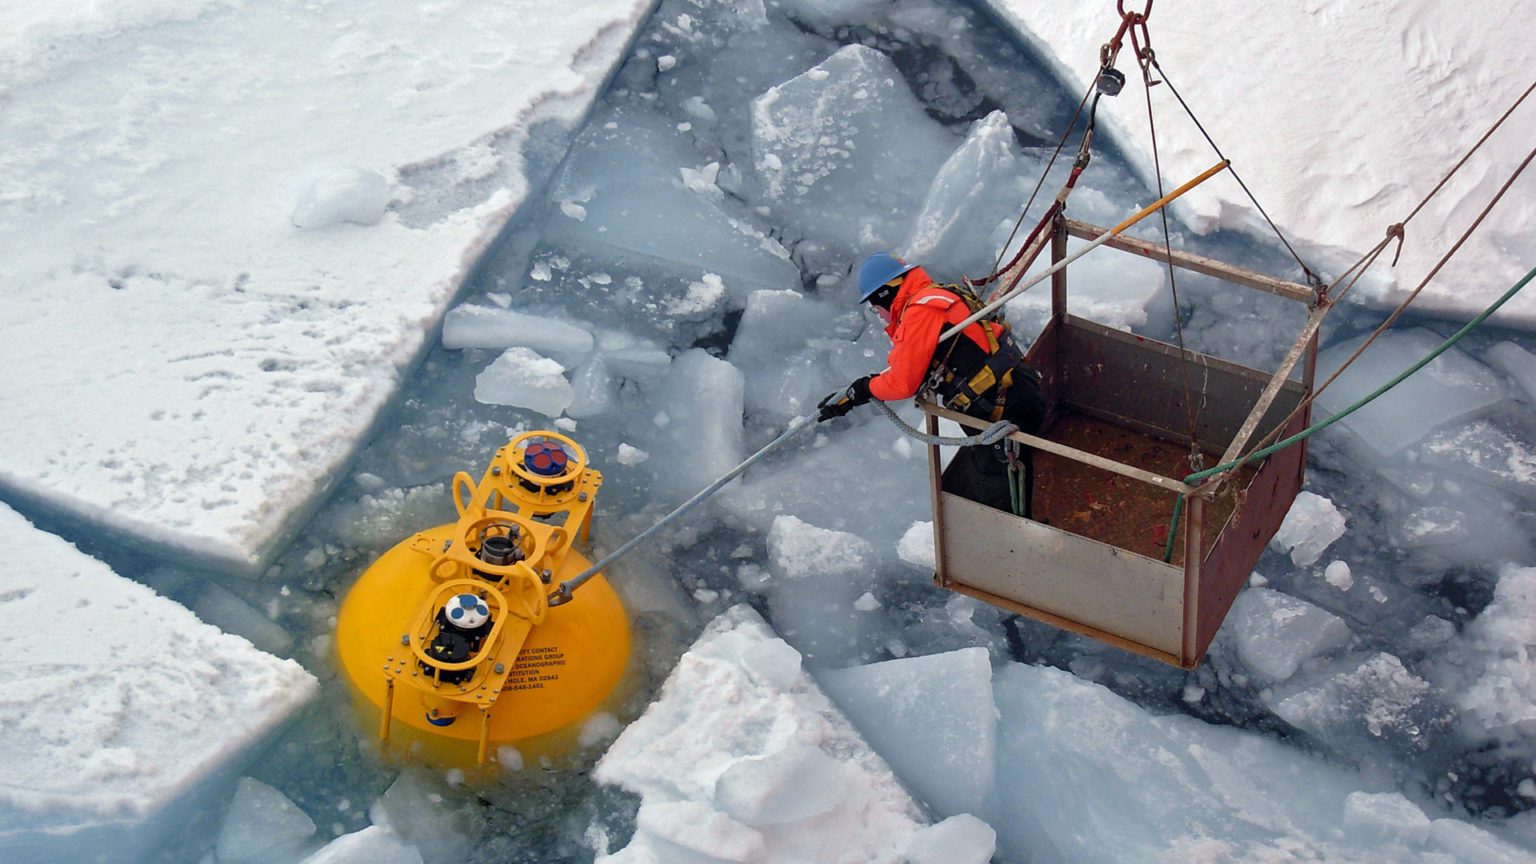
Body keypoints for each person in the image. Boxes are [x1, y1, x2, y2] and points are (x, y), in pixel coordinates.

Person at [818, 252, 1046, 513]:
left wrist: (863, 388)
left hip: (1003, 409)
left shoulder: (920, 312)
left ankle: (1014, 531)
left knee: (996, 486)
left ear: (885, 294)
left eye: (875, 306)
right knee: (1008, 464)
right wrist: (852, 396)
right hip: (1017, 391)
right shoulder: (937, 295)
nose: (878, 314)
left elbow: (903, 382)